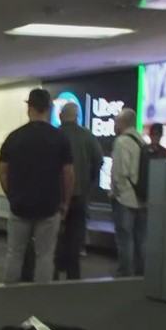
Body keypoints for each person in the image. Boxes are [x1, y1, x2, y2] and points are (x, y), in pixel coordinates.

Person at [0, 89, 74, 285]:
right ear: (48, 108)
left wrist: (11, 195)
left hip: (19, 205)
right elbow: (68, 174)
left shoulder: (13, 138)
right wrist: (65, 202)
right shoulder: (60, 139)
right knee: (45, 255)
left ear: (29, 108)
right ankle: (42, 299)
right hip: (49, 206)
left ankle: (10, 294)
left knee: (15, 253)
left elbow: (2, 172)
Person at [56, 102, 103, 281]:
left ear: (60, 116)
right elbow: (98, 161)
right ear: (77, 117)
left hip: (56, 197)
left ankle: (54, 275)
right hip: (80, 196)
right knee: (75, 239)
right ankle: (73, 277)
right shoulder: (87, 136)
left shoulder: (55, 135)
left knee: (54, 238)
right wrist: (87, 182)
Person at [111, 109, 147, 277]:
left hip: (125, 198)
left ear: (123, 123)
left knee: (125, 238)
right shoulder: (142, 141)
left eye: (116, 122)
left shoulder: (122, 142)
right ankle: (141, 272)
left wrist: (117, 193)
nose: (114, 125)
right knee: (141, 237)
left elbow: (119, 172)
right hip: (142, 197)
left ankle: (125, 272)